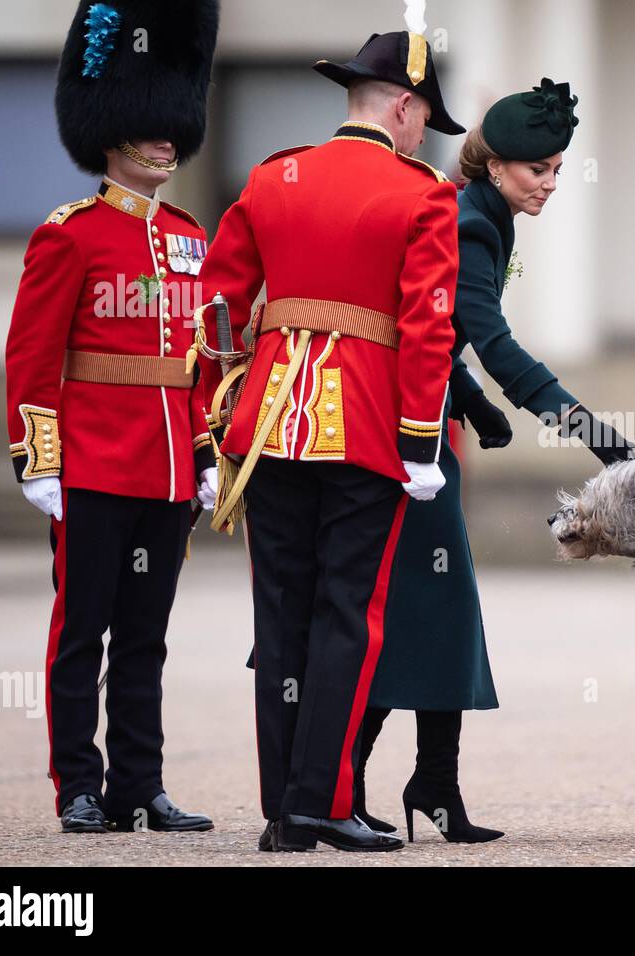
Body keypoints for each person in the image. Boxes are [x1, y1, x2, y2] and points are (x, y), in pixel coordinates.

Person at [195, 26, 464, 852]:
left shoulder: (274, 176)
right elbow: (428, 329)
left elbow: (217, 313)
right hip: (367, 428)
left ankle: (286, 807)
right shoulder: (424, 193)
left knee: (280, 617)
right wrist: (421, 445)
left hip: (270, 425)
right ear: (405, 107)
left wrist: (215, 430)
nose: (425, 134)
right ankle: (323, 800)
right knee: (348, 615)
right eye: (426, 118)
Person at [355, 78, 634, 844]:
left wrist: (468, 403)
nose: (548, 184)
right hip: (400, 436)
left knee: (432, 608)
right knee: (415, 607)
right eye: (535, 169)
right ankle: (346, 782)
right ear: (496, 164)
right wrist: (590, 431)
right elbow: (490, 337)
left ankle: (429, 784)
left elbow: (436, 328)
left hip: (421, 421)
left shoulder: (476, 210)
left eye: (556, 169)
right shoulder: (472, 221)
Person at [4, 0, 220, 835]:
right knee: (80, 636)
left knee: (145, 639)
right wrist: (39, 458)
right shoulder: (70, 236)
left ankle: (141, 782)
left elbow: (198, 359)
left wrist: (204, 450)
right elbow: (32, 357)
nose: (168, 141)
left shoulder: (189, 237)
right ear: (114, 134)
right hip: (92, 463)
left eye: (174, 130)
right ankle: (78, 787)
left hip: (166, 469)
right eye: (154, 131)